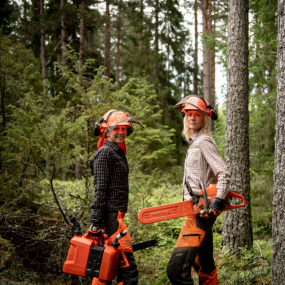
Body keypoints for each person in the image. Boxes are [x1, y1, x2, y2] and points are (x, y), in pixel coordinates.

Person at [167, 95, 231, 285]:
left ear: (204, 117)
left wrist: (219, 201)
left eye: (196, 115)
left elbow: (223, 172)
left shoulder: (204, 141)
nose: (192, 118)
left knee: (176, 271)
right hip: (195, 210)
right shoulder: (195, 142)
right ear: (184, 117)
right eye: (188, 115)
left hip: (201, 211)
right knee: (203, 263)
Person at [89, 109, 144, 285]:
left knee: (107, 267)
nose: (121, 132)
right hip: (112, 218)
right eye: (116, 128)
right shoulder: (105, 153)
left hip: (116, 215)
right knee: (128, 271)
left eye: (124, 128)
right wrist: (97, 223)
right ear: (106, 130)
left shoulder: (117, 152)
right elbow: (100, 189)